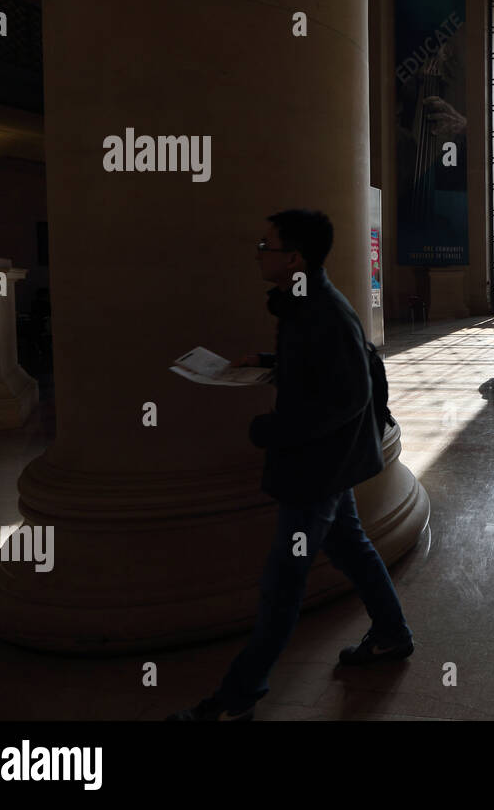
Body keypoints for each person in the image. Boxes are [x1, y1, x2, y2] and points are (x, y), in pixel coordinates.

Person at [169, 209, 412, 721]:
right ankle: (391, 634)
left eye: (267, 245)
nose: (259, 252)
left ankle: (235, 700)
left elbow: (347, 396)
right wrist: (269, 363)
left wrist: (272, 431)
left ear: (295, 258)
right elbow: (321, 372)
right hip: (327, 464)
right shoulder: (305, 303)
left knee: (282, 585)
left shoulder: (319, 308)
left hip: (316, 468)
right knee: (351, 546)